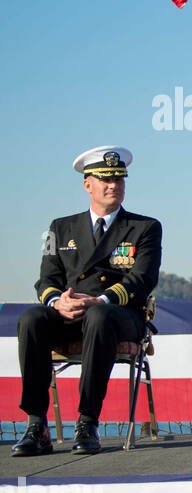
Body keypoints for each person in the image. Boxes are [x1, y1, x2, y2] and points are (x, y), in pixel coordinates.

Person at [11, 146, 162, 457]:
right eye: (105, 180)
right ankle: (37, 425)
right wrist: (57, 303)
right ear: (87, 185)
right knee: (31, 319)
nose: (114, 186)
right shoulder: (59, 228)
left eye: (119, 180)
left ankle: (87, 421)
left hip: (119, 315)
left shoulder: (145, 228)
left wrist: (100, 299)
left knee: (99, 317)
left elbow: (141, 280)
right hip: (69, 313)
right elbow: (46, 280)